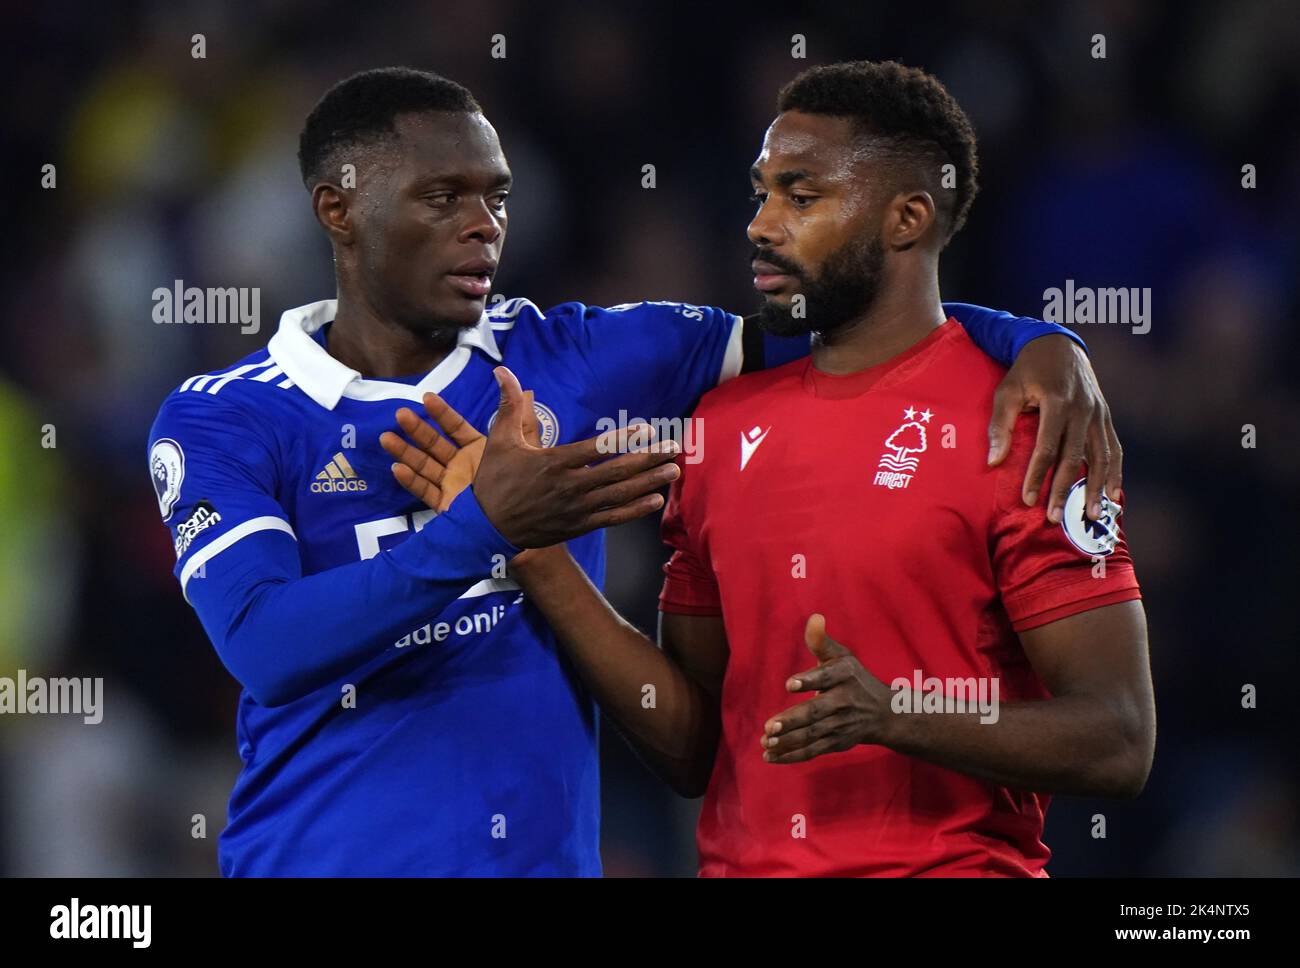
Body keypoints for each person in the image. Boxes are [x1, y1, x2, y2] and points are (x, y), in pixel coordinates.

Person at [149, 66, 1124, 875]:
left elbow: (866, 317)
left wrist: (1040, 340)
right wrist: (484, 526)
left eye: (496, 195)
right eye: (442, 197)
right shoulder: (224, 415)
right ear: (339, 209)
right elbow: (266, 646)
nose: (483, 224)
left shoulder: (583, 359)